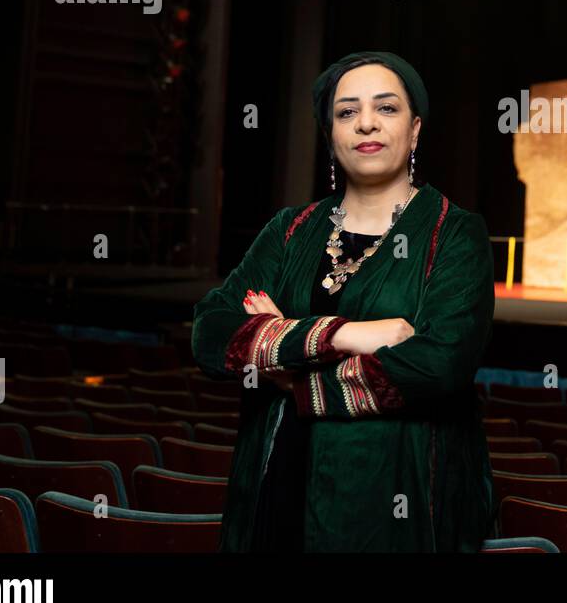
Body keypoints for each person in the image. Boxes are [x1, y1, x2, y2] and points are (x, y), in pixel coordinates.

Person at [192, 51, 496, 551]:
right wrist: (345, 333)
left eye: (387, 108)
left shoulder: (455, 234)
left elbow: (437, 366)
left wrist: (287, 372)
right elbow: (210, 332)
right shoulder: (290, 230)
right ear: (330, 134)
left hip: (395, 492)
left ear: (415, 130)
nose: (366, 123)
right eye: (347, 112)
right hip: (276, 482)